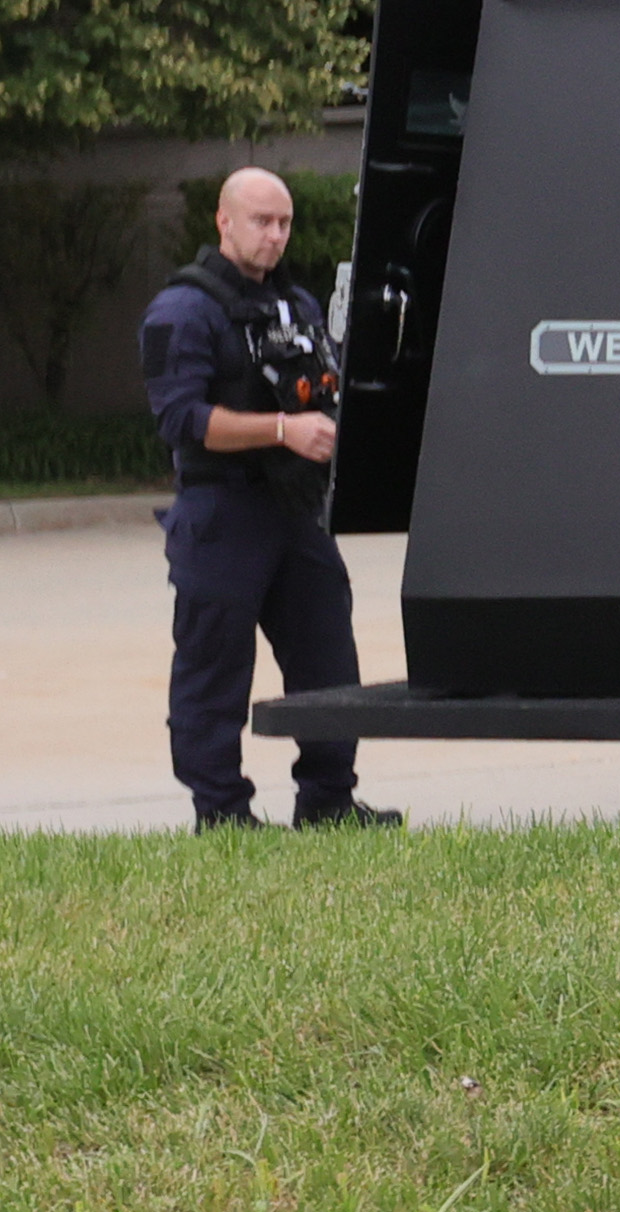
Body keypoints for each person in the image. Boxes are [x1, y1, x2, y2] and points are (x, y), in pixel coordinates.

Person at [137, 168, 398, 831]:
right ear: (223, 222)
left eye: (284, 223)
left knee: (329, 660)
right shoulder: (182, 310)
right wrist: (283, 429)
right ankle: (222, 814)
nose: (276, 235)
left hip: (295, 512)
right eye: (262, 221)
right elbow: (183, 420)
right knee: (214, 670)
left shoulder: (298, 307)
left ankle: (328, 803)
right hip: (221, 512)